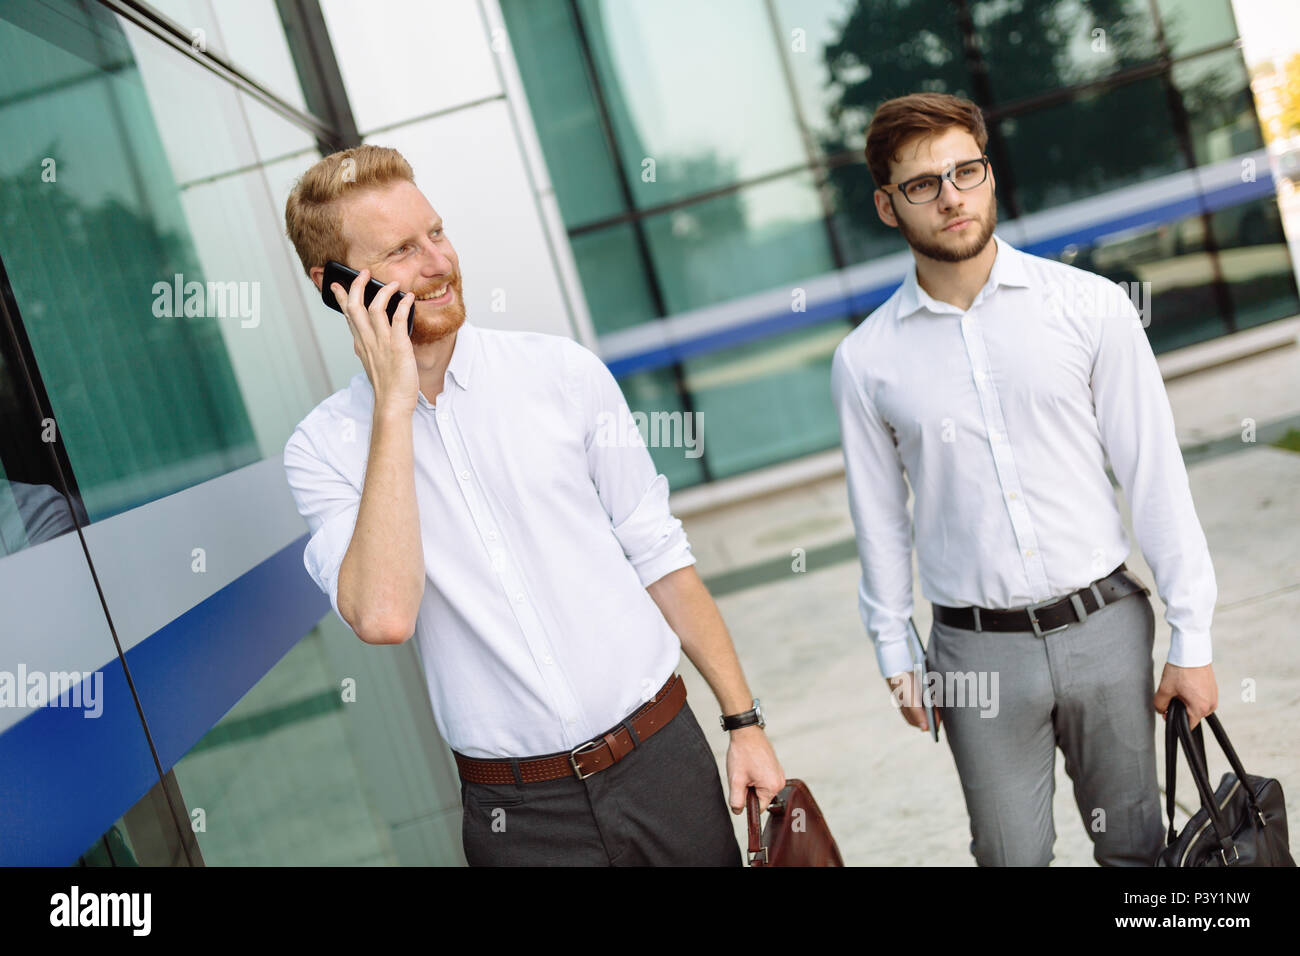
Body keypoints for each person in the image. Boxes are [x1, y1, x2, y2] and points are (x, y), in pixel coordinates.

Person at [281, 144, 784, 866]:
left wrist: (745, 722)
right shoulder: (323, 449)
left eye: (436, 232)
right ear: (334, 286)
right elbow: (384, 615)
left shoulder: (561, 374)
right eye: (400, 250)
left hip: (662, 760)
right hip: (518, 818)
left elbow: (660, 555)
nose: (438, 263)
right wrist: (394, 406)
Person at [830, 93, 1218, 866]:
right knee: (1009, 858)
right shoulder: (866, 361)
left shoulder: (1088, 308)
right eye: (921, 184)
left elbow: (1154, 477)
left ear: (988, 173)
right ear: (886, 205)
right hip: (977, 656)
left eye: (964, 171)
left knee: (1139, 854)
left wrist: (1193, 636)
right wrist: (893, 649)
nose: (951, 197)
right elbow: (879, 519)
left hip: (1106, 626)